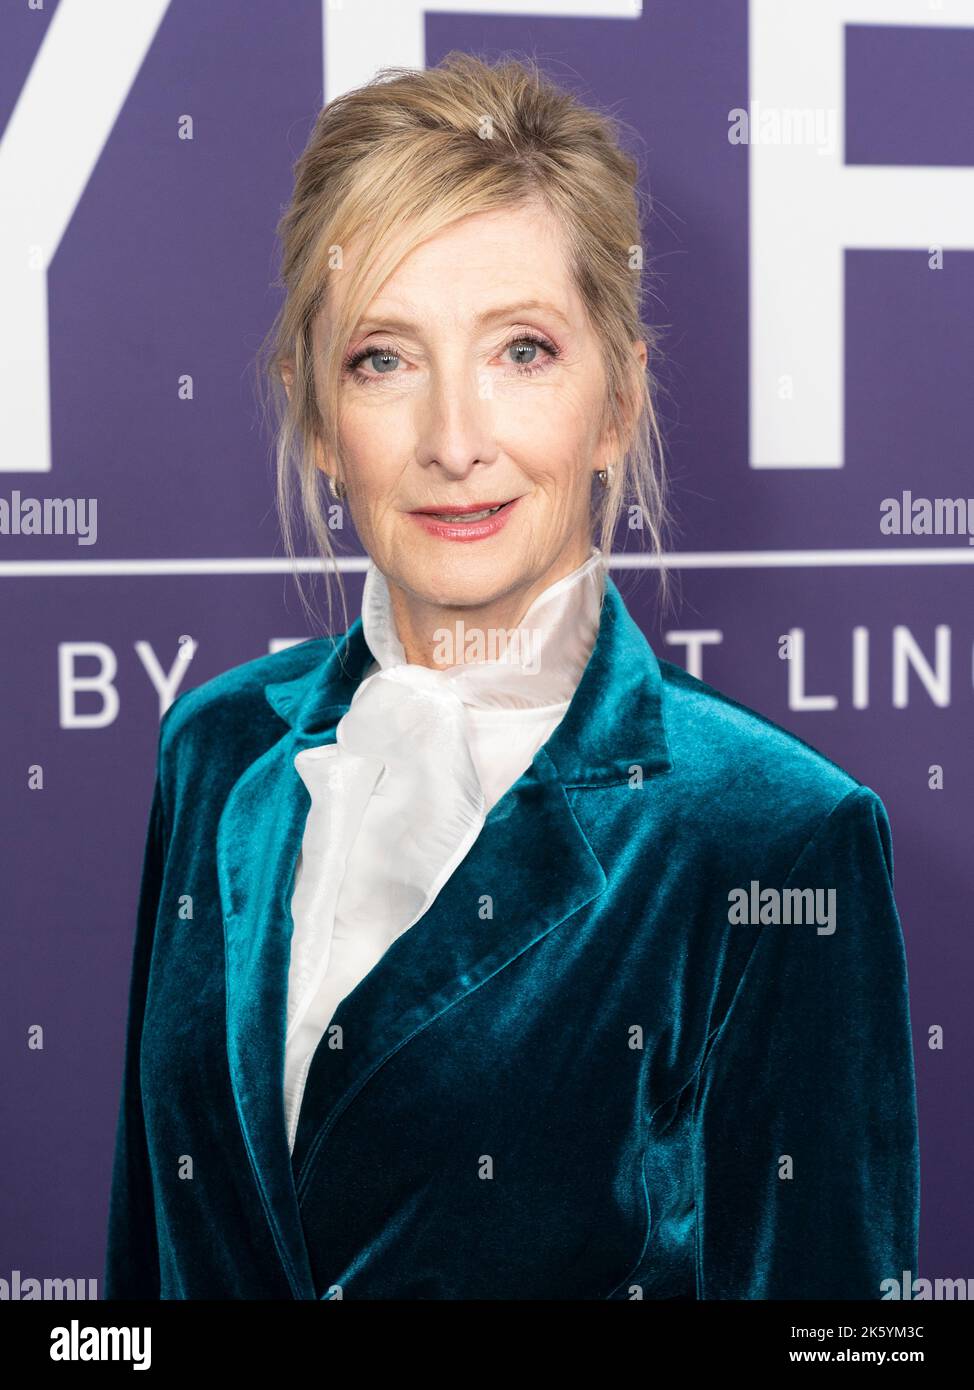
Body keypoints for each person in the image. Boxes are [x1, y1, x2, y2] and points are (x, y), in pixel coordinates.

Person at [104, 52, 919, 1301]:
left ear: (615, 403)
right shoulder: (214, 753)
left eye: (522, 350)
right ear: (316, 415)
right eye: (384, 357)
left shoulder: (774, 835)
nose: (453, 440)